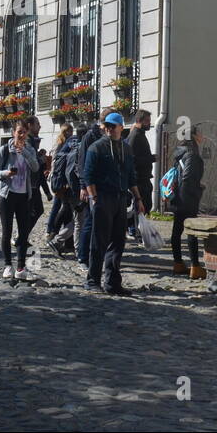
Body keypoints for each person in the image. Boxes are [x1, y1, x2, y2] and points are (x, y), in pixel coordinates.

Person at [82, 112, 142, 296]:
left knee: (118, 241)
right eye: (106, 125)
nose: (108, 128)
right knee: (98, 241)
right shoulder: (96, 147)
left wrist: (138, 198)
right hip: (102, 198)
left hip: (120, 198)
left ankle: (112, 282)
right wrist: (94, 198)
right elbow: (88, 175)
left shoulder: (126, 148)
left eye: (112, 125)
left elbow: (131, 175)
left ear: (120, 128)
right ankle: (93, 280)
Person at [0, 121, 42, 281]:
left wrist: (26, 153)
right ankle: (8, 265)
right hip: (7, 195)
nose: (22, 135)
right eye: (19, 132)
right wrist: (6, 173)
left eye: (25, 132)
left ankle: (21, 267)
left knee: (23, 233)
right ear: (13, 132)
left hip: (23, 196)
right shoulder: (5, 150)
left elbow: (35, 168)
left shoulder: (29, 150)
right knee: (7, 232)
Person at [172, 125, 207, 280]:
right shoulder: (192, 154)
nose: (202, 136)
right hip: (186, 197)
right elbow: (187, 178)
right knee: (191, 231)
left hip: (177, 196)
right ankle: (195, 267)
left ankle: (178, 264)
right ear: (193, 136)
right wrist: (196, 190)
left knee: (176, 231)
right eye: (200, 133)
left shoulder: (180, 153)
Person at [73, 114, 107, 268]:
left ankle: (97, 254)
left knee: (101, 222)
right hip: (90, 185)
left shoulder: (109, 137)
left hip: (104, 186)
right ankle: (82, 256)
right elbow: (82, 163)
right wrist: (83, 186)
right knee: (89, 221)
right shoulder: (90, 136)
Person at [46, 124, 78, 255]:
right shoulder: (63, 143)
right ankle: (52, 232)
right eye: (70, 130)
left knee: (65, 209)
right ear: (67, 132)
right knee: (61, 207)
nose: (72, 133)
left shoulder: (67, 143)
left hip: (62, 180)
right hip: (62, 181)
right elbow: (55, 161)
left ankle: (61, 237)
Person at [126, 110, 155, 240]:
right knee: (141, 206)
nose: (149, 124)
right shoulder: (135, 136)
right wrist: (150, 158)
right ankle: (129, 226)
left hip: (144, 176)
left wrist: (151, 158)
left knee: (146, 205)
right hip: (138, 178)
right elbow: (131, 159)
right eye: (147, 121)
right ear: (139, 121)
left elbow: (142, 156)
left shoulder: (141, 134)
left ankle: (130, 226)